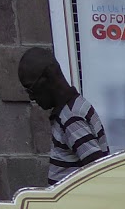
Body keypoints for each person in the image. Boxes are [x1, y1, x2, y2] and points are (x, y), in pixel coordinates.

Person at [18, 46, 110, 186]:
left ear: (48, 77)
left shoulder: (71, 118)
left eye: (31, 89)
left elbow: (97, 172)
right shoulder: (72, 108)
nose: (31, 97)